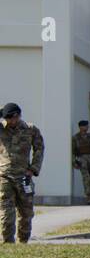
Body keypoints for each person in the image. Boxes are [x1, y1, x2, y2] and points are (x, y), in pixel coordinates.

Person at [0, 103, 43, 244]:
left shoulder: (30, 129)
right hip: (4, 176)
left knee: (26, 213)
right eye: (7, 119)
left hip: (24, 176)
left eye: (12, 118)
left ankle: (23, 242)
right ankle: (8, 243)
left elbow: (39, 149)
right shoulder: (1, 129)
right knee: (6, 212)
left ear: (18, 116)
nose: (10, 122)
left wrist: (33, 168)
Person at [71, 119, 90, 201]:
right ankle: (89, 196)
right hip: (82, 160)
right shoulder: (75, 138)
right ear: (80, 127)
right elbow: (73, 151)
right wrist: (74, 162)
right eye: (84, 126)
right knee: (86, 178)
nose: (86, 127)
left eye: (87, 125)